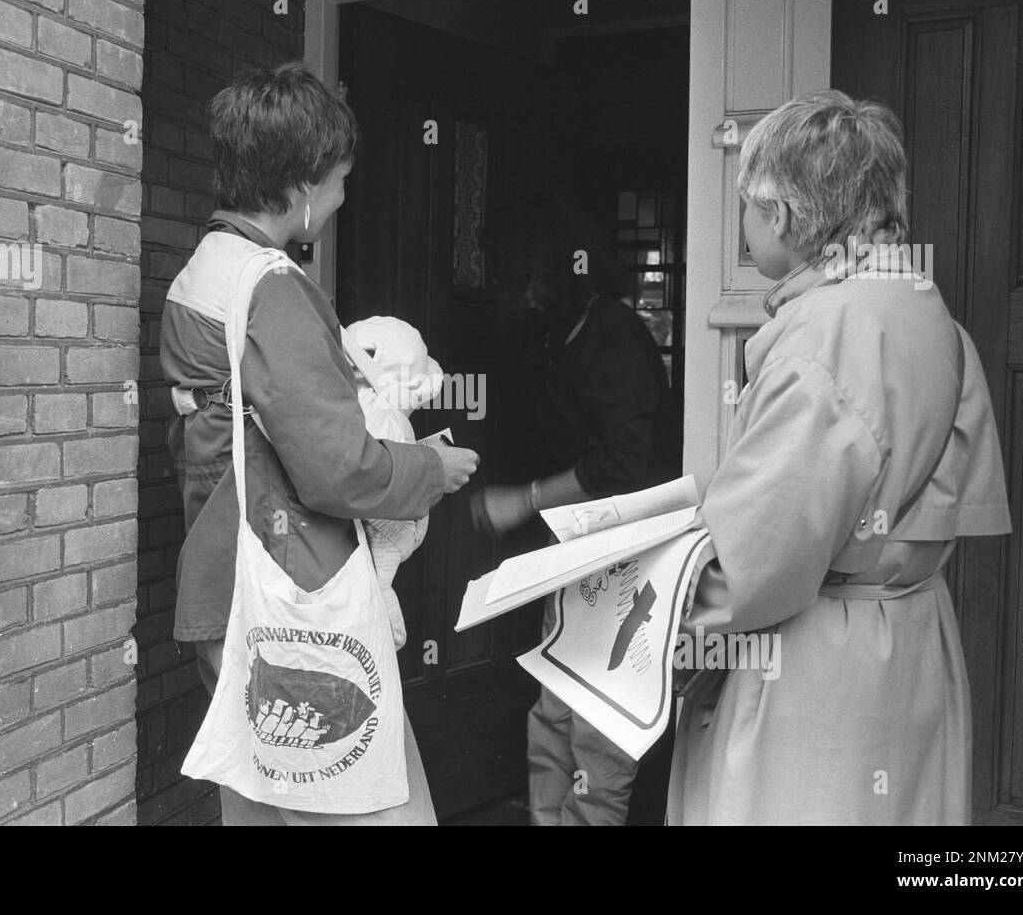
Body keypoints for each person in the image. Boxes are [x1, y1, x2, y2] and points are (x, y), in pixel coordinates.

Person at [668, 90, 1012, 825]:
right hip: (910, 647)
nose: (744, 227)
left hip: (814, 672)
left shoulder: (823, 337)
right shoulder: (925, 309)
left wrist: (638, 613)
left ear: (783, 216)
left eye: (746, 209)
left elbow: (748, 567)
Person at [160, 63, 479, 825]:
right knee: (379, 805)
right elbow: (340, 469)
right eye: (337, 179)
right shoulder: (271, 286)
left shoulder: (199, 272)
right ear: (302, 185)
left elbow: (256, 427)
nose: (340, 197)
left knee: (260, 809)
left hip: (223, 584)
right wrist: (430, 466)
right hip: (295, 599)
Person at [471, 195, 682, 825]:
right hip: (574, 553)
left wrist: (525, 499)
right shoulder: (555, 337)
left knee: (597, 733)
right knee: (553, 714)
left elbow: (620, 463)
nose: (526, 293)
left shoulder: (613, 335)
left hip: (626, 556)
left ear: (569, 276)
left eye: (536, 279)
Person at [344, 315, 446, 651]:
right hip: (388, 522)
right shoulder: (386, 419)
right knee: (377, 580)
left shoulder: (344, 404)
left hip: (371, 520)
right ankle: (391, 640)